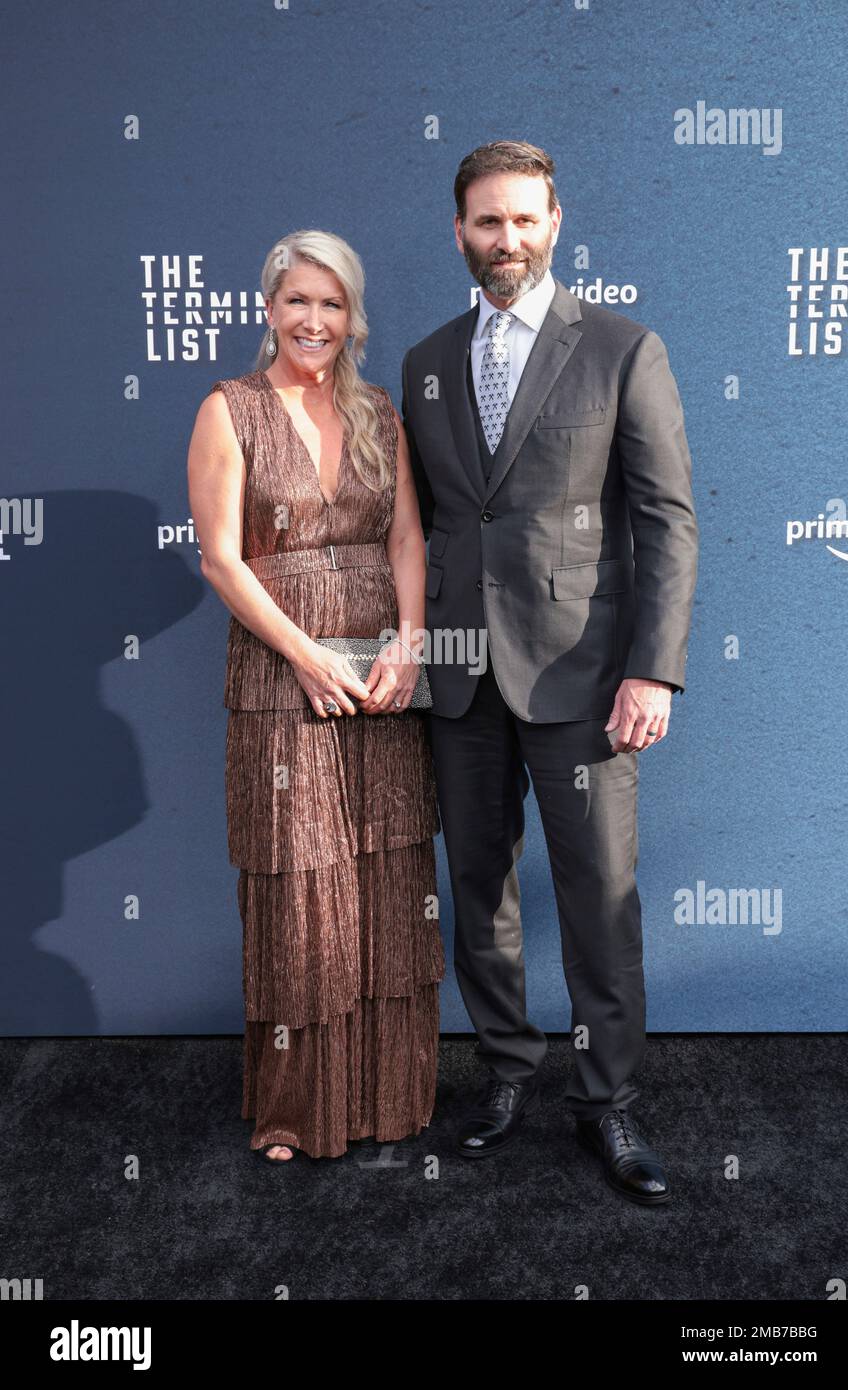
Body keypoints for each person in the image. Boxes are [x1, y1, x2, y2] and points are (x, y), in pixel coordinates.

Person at [401, 141, 699, 1204]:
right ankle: (505, 1071)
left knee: (599, 899)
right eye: (487, 221)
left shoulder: (621, 348)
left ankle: (607, 1103)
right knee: (477, 889)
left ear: (556, 223)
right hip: (462, 682)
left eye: (524, 220)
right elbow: (433, 523)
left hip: (583, 679)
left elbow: (667, 520)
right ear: (459, 232)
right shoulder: (427, 361)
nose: (507, 240)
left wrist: (653, 672)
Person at [188, 229, 444, 1163]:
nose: (314, 320)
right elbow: (221, 558)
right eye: (297, 300)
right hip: (279, 683)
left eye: (331, 304)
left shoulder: (379, 411)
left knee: (383, 882)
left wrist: (410, 644)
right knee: (301, 895)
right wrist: (301, 654)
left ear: (352, 317)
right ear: (268, 309)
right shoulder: (230, 410)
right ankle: (297, 1112)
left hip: (379, 680)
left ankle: (389, 1095)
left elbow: (407, 538)